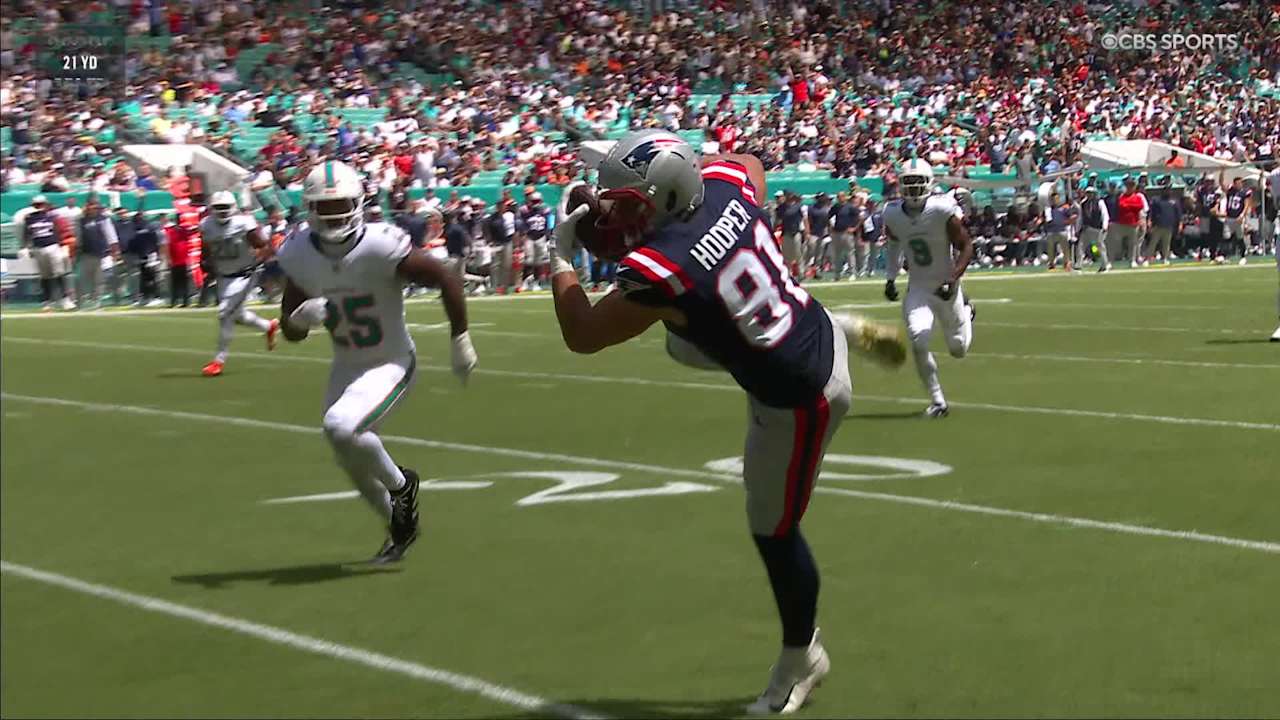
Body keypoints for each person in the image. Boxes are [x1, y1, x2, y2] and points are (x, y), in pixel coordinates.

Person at [548, 130, 906, 714]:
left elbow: (583, 335)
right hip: (798, 322)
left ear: (662, 195)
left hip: (802, 395)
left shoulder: (662, 268)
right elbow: (746, 161)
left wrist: (560, 257)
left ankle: (801, 657)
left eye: (625, 199)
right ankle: (831, 322)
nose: (612, 206)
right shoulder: (726, 184)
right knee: (683, 338)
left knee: (773, 528)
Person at [276, 160, 478, 563]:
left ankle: (403, 487)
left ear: (360, 203)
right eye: (325, 208)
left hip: (390, 362)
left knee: (340, 427)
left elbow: (445, 277)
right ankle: (399, 528)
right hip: (347, 364)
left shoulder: (381, 244)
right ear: (309, 209)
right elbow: (290, 332)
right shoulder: (298, 253)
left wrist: (460, 337)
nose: (334, 217)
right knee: (347, 455)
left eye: (342, 206)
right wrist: (300, 318)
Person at [883, 159, 976, 418]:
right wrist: (890, 278)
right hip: (919, 288)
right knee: (918, 340)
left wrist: (953, 278)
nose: (913, 190)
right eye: (908, 184)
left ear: (929, 183)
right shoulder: (891, 213)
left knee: (958, 349)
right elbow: (893, 246)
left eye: (917, 184)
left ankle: (966, 311)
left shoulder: (941, 209)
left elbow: (966, 245)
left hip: (946, 286)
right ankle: (938, 402)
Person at [199, 191, 280, 377]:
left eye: (225, 207)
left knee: (225, 313)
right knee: (238, 314)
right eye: (218, 207)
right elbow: (206, 249)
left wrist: (258, 261)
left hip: (244, 276)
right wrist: (207, 266)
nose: (221, 211)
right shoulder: (206, 225)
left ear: (233, 207)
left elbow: (264, 245)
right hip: (223, 276)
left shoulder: (243, 223)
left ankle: (218, 361)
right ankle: (269, 326)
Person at [21, 195, 75, 310]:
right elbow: (26, 234)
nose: (39, 207)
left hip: (53, 246)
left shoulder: (52, 217)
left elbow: (59, 232)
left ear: (45, 204)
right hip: (38, 248)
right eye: (37, 205)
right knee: (44, 276)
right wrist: (25, 247)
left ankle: (65, 300)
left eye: (41, 204)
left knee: (59, 273)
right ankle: (46, 301)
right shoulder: (29, 218)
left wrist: (63, 245)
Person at [76, 199, 120, 309]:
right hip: (86, 253)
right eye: (92, 207)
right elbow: (78, 237)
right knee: (83, 279)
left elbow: (111, 237)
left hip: (101, 254)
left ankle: (96, 300)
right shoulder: (81, 220)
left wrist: (115, 252)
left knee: (99, 279)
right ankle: (81, 302)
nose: (94, 209)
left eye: (96, 207)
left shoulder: (104, 220)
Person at [1078, 186, 1111, 272]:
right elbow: (1081, 217)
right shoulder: (1083, 203)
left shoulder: (1099, 202)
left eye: (1091, 193)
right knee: (1081, 246)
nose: (1089, 195)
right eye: (1088, 193)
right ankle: (1079, 264)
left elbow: (1105, 214)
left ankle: (1104, 264)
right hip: (1086, 228)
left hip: (1097, 228)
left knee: (1100, 247)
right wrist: (1078, 229)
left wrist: (1105, 226)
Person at [165, 212, 194, 307]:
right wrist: (168, 259)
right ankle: (174, 301)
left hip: (184, 260)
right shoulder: (171, 231)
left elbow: (195, 230)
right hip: (174, 261)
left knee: (184, 282)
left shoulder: (185, 231)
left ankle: (185, 301)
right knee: (175, 283)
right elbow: (167, 245)